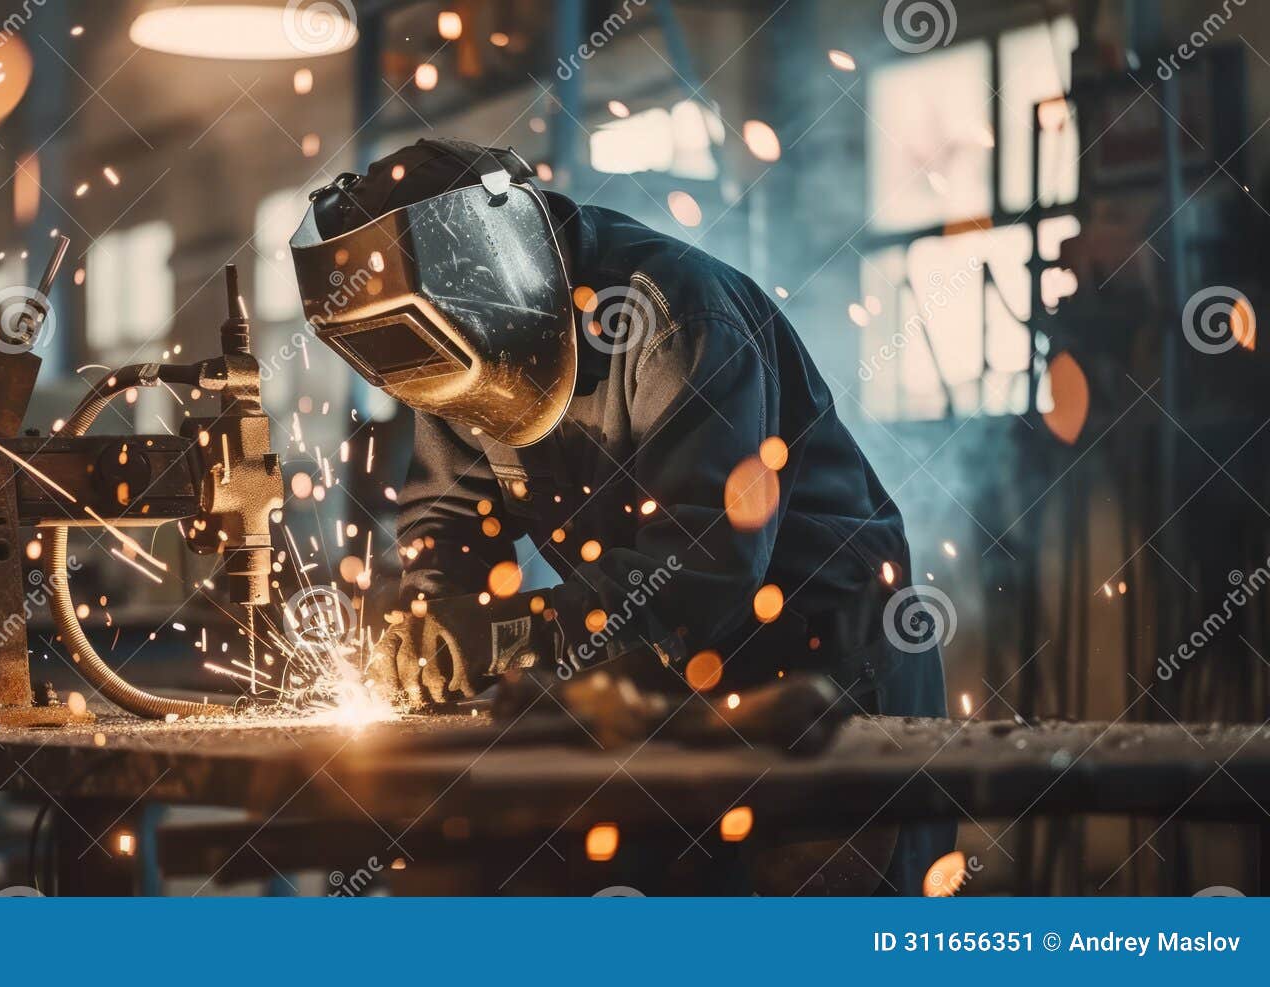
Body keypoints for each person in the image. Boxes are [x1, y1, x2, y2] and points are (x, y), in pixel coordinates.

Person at [289, 138, 950, 894]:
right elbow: (447, 515)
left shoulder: (674, 316)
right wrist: (432, 613)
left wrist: (511, 631)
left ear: (492, 264)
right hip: (673, 676)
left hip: (824, 659)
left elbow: (705, 569)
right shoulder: (451, 341)